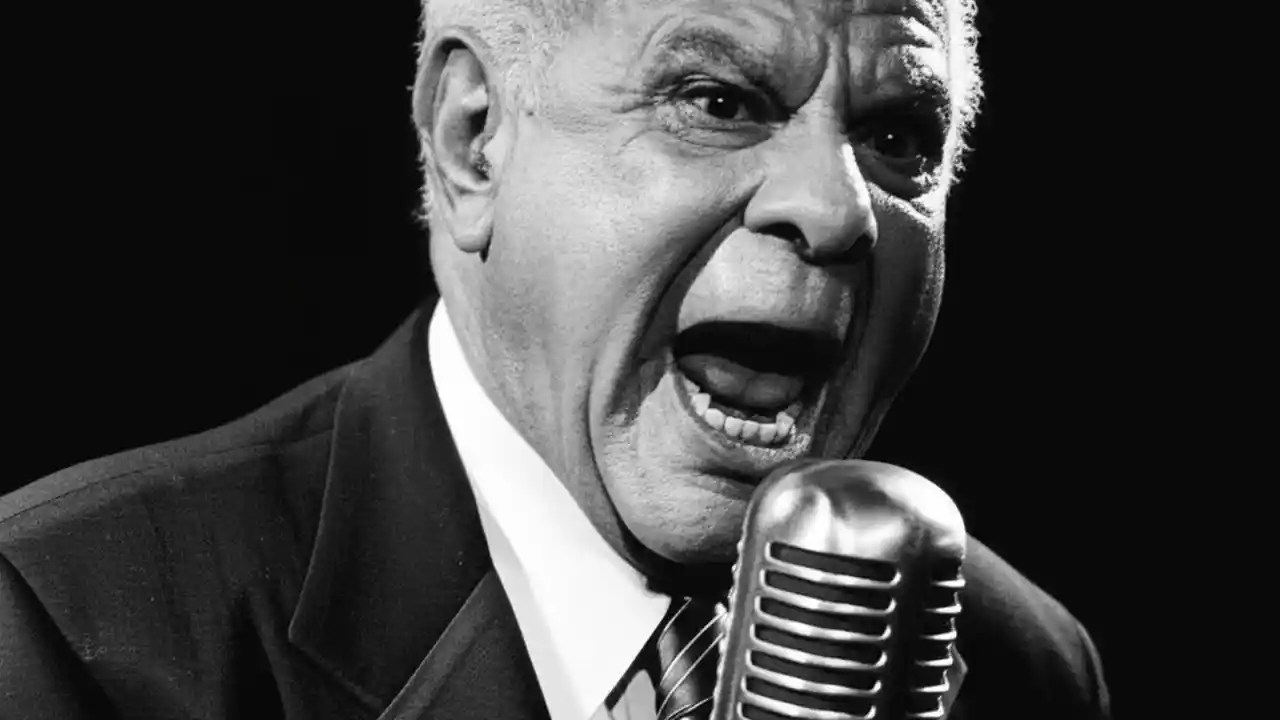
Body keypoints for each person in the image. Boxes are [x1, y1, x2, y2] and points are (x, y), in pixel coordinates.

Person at [1, 0, 1112, 718]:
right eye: (715, 101)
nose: (837, 212)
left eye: (896, 138)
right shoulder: (72, 633)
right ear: (471, 140)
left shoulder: (1023, 671)